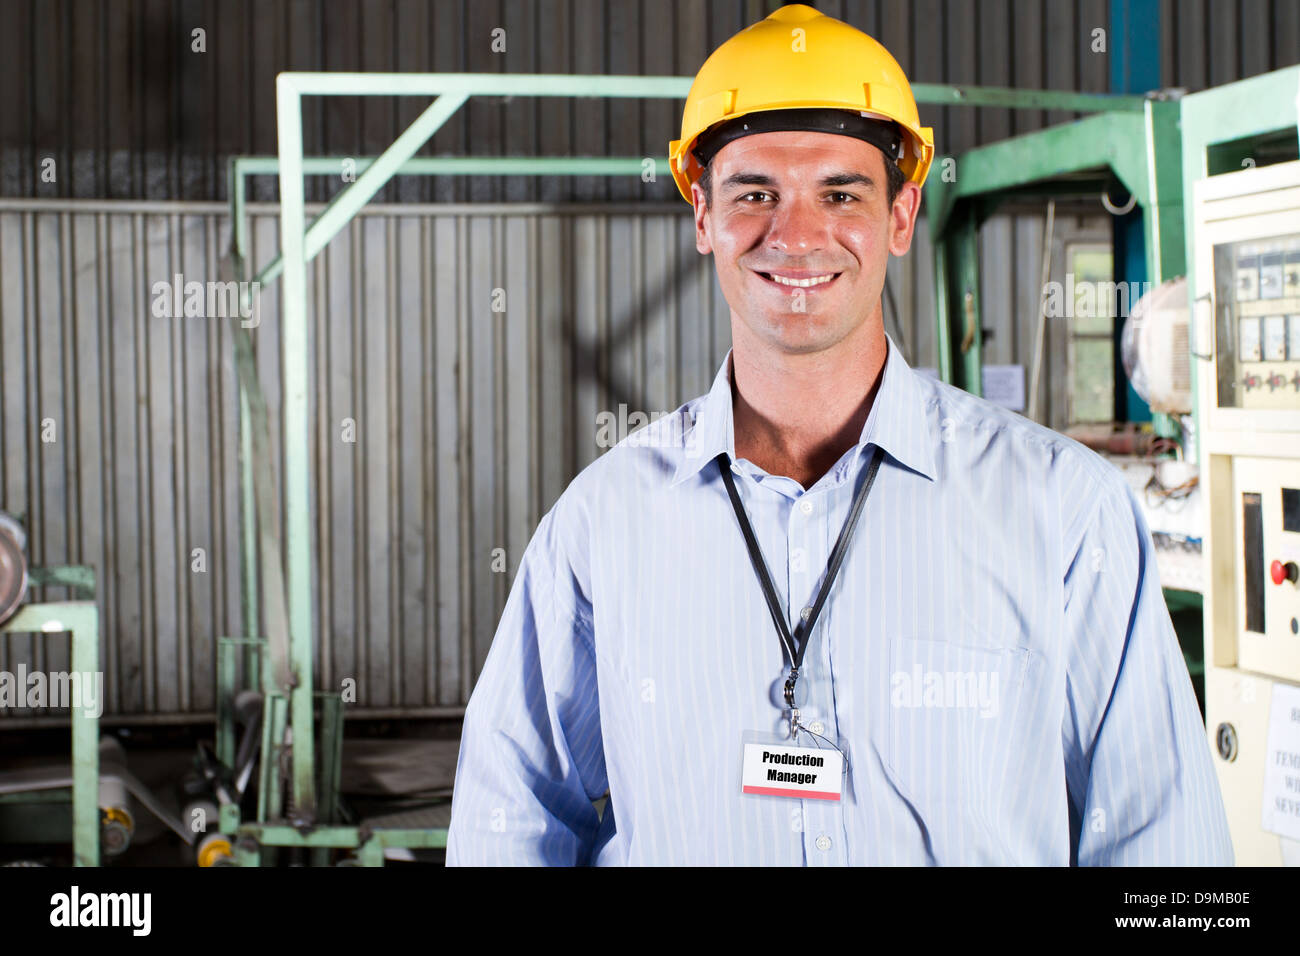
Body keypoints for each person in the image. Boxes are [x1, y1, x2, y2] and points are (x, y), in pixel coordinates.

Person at [446, 3, 1232, 865]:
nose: (797, 235)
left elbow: (1168, 857)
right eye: (755, 193)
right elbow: (508, 822)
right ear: (702, 215)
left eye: (841, 192)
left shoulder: (1064, 511)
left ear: (900, 217)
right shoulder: (602, 527)